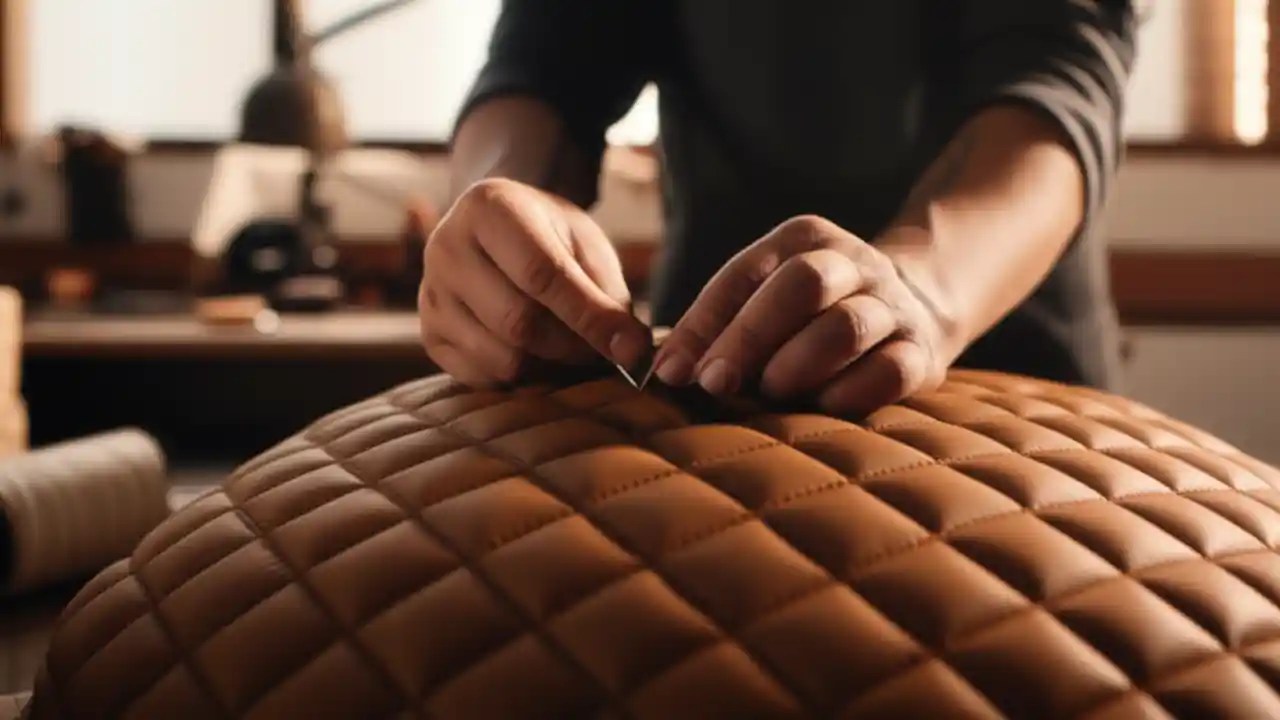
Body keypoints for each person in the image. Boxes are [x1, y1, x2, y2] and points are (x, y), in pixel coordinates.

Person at [419, 1, 1135, 416]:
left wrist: (917, 293)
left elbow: (1055, 92)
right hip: (693, 386)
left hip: (1005, 379)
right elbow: (542, 66)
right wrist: (497, 217)